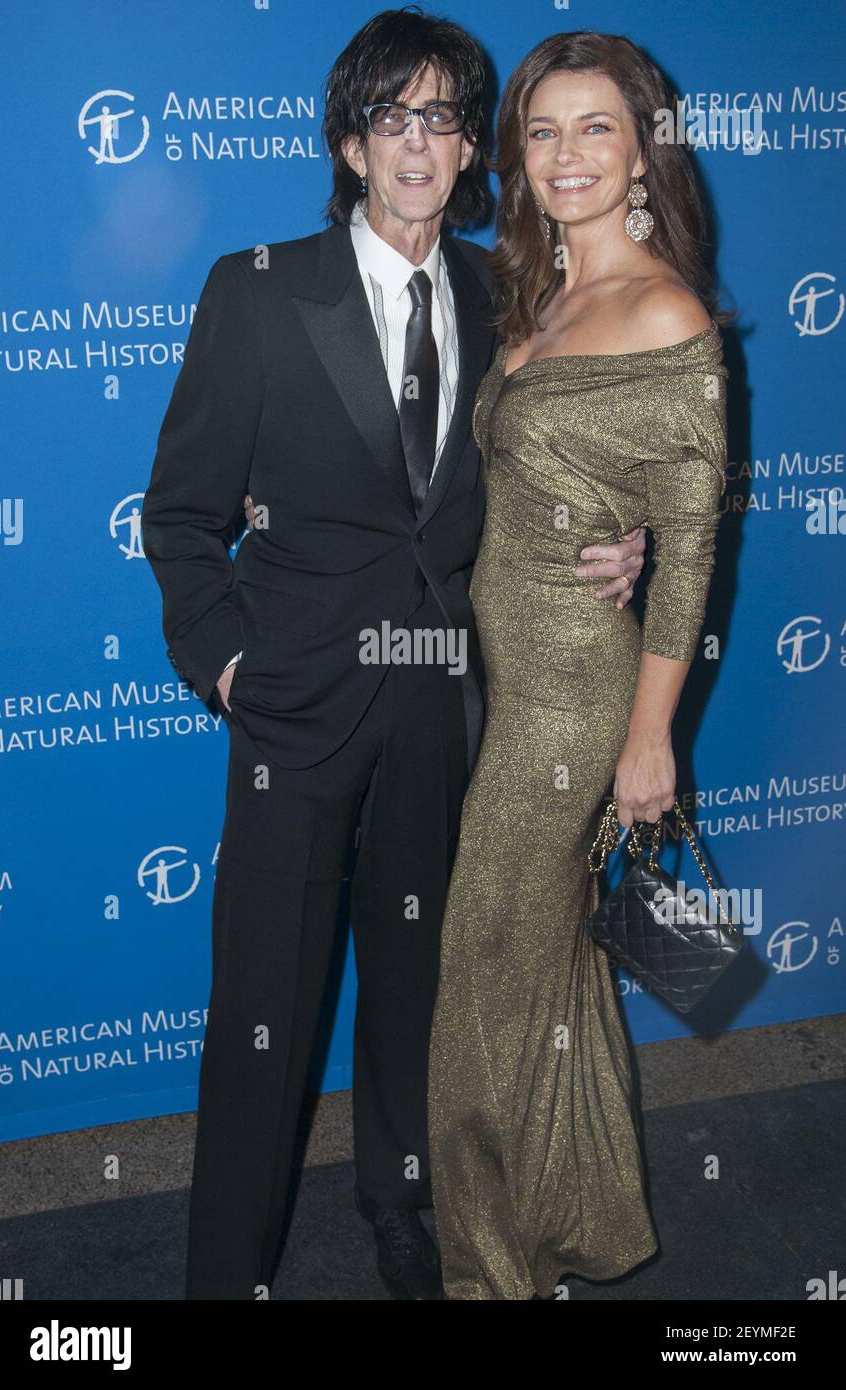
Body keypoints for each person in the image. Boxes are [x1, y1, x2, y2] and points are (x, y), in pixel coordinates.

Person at [142, 8, 646, 1301]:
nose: (417, 143)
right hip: (297, 714)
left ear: (469, 145)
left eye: (440, 117)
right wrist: (234, 669)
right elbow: (181, 515)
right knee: (263, 1015)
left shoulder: (504, 293)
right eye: (390, 117)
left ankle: (402, 1207)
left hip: (445, 709)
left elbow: (545, 489)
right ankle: (223, 1268)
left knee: (419, 995)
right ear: (348, 143)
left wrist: (616, 546)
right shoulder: (257, 292)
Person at [428, 30, 730, 1300]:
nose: (563, 156)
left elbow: (696, 541)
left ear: (643, 147)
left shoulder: (661, 307)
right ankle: (581, 1229)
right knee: (547, 974)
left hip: (576, 706)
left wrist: (648, 741)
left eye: (593, 128)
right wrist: (618, 524)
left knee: (477, 985)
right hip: (505, 685)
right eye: (540, 132)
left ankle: (486, 1272)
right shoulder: (535, 293)